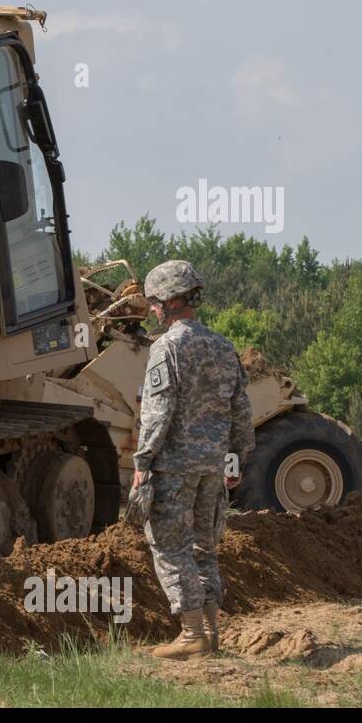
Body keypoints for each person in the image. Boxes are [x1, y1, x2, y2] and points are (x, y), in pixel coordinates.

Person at [132, 260, 255, 660]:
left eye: (153, 303)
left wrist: (142, 462)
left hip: (174, 468)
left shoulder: (166, 348)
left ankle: (191, 636)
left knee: (170, 546)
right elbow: (242, 411)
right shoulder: (223, 347)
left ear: (169, 302)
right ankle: (211, 633)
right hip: (214, 468)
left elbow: (157, 412)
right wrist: (235, 460)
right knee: (204, 547)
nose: (151, 310)